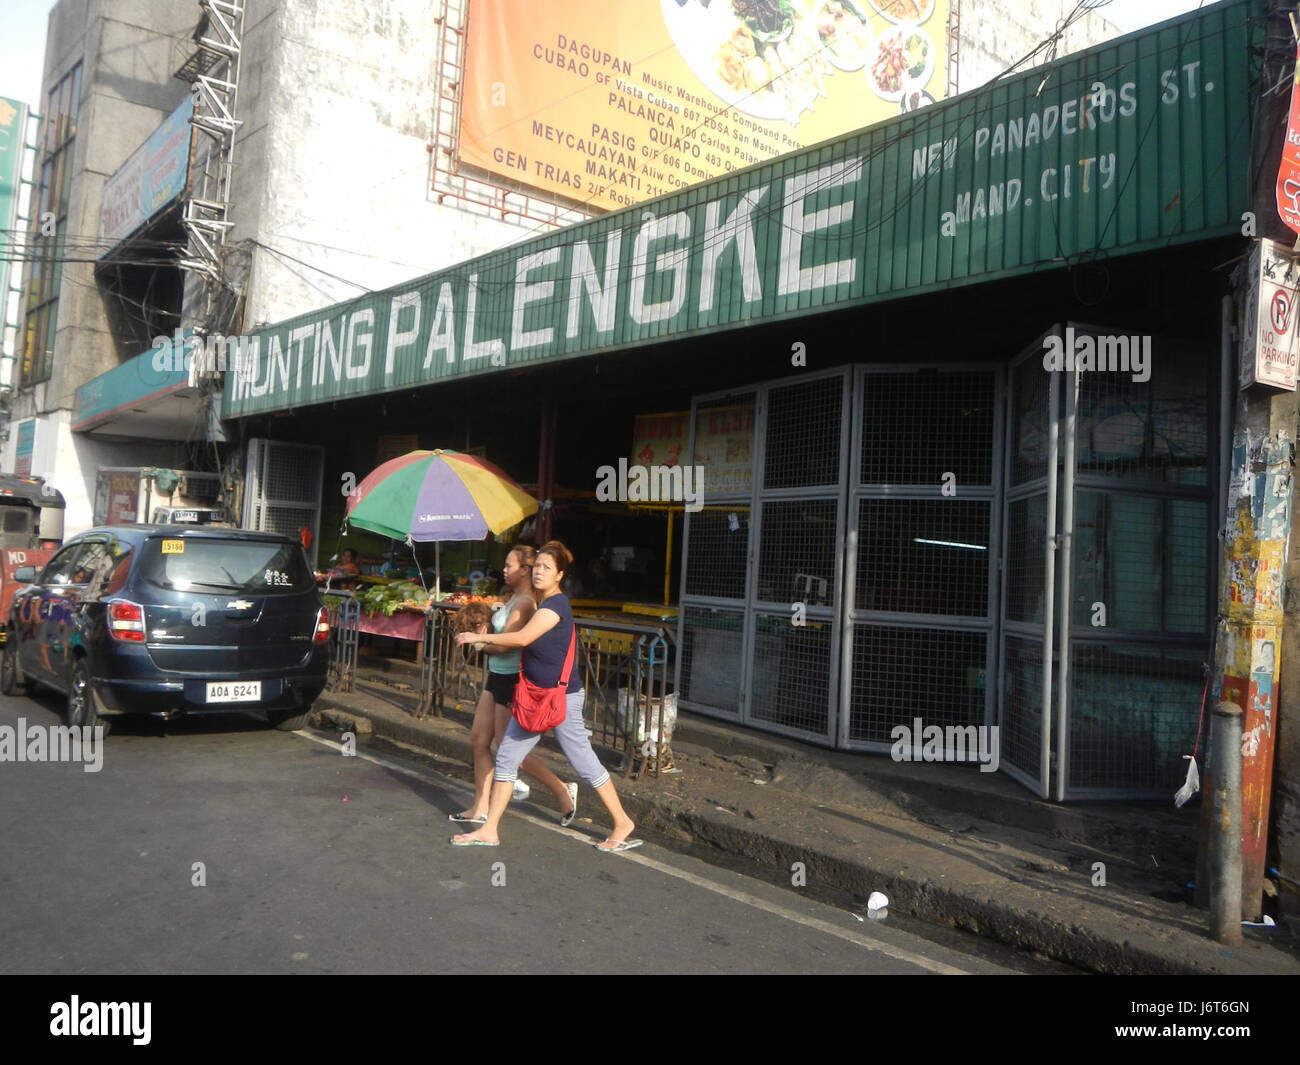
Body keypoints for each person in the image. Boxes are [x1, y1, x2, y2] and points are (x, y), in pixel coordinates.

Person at [451, 540, 639, 851]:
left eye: (546, 568)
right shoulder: (540, 603)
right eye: (537, 566)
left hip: (561, 698)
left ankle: (622, 821)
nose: (539, 572)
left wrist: (478, 638)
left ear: (559, 575)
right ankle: (489, 830)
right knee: (508, 755)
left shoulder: (557, 606)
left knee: (584, 762)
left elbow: (524, 637)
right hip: (535, 696)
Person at [448, 545, 577, 826]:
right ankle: (480, 805)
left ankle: (560, 788)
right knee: (479, 739)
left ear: (524, 570)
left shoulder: (525, 603)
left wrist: (478, 641)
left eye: (509, 565)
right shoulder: (512, 598)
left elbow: (509, 644)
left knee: (509, 751)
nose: (504, 570)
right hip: (495, 676)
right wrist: (482, 636)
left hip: (510, 678)